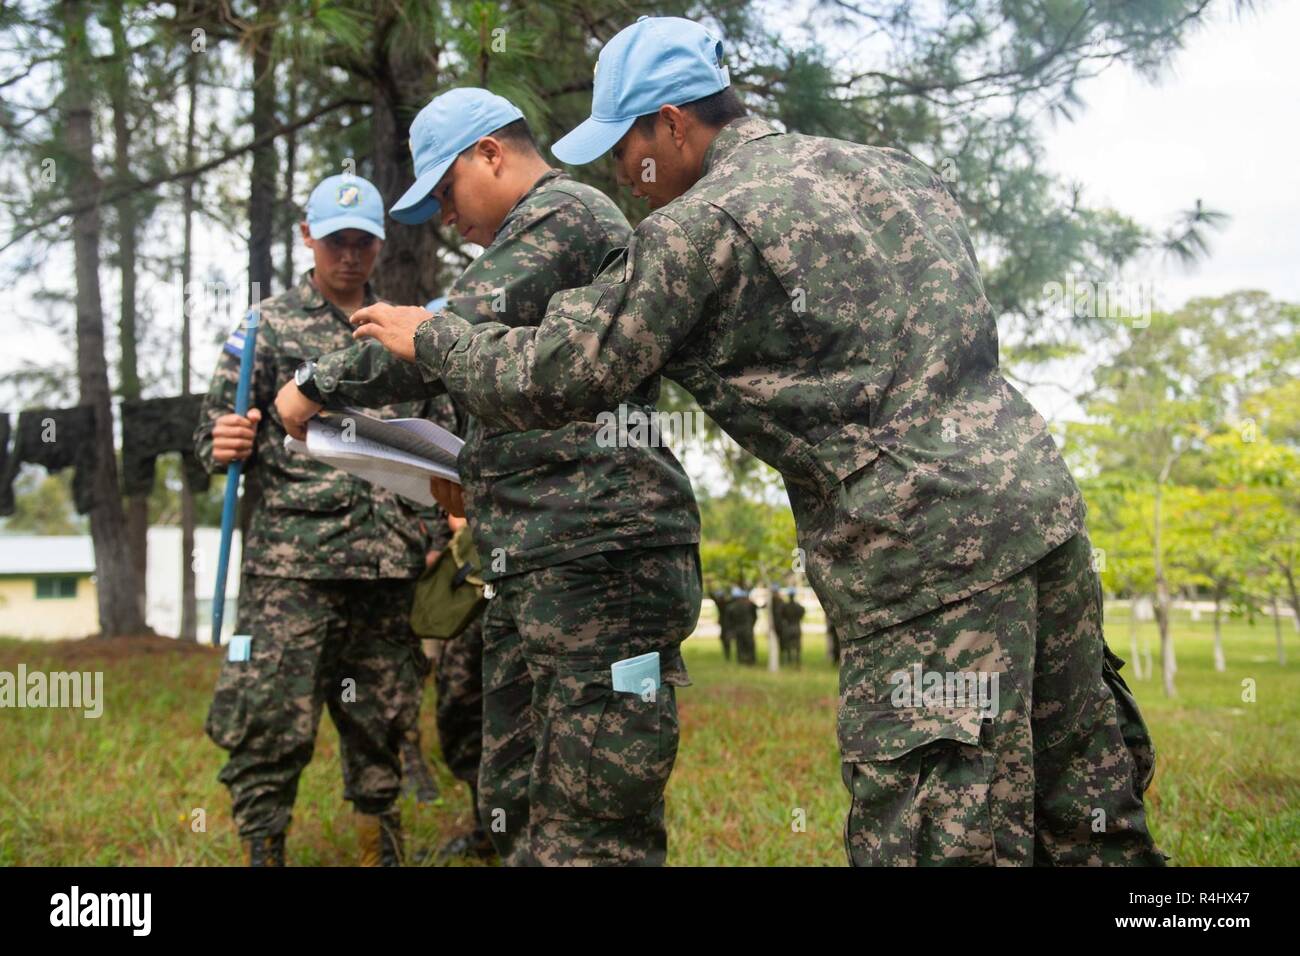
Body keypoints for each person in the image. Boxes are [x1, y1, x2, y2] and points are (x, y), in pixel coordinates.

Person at [353, 18, 1167, 866]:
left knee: (939, 832)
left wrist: (429, 338)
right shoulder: (890, 172)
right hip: (1041, 513)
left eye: (628, 149)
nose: (627, 180)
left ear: (672, 123)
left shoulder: (702, 228)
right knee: (1090, 811)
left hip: (921, 557)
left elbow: (561, 374)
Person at [275, 88, 702, 866]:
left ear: (492, 154)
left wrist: (314, 385)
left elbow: (440, 335)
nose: (445, 215)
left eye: (445, 190)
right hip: (538, 555)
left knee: (595, 818)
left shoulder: (564, 216)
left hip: (602, 559)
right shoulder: (540, 237)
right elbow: (513, 381)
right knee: (513, 793)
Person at [195, 173, 455, 866]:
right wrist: (222, 443)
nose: (349, 255)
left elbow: (440, 437)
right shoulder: (264, 328)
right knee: (270, 717)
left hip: (388, 564)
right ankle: (263, 847)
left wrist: (434, 532)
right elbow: (215, 432)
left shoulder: (401, 329)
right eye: (336, 241)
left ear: (378, 244)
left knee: (384, 713)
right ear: (308, 237)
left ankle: (380, 845)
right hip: (292, 566)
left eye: (363, 242)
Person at [722, 587, 757, 666]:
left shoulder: (730, 607)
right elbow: (754, 616)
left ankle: (741, 660)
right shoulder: (748, 605)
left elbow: (728, 622)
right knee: (749, 645)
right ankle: (751, 661)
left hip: (737, 628)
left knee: (739, 645)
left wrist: (730, 630)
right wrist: (752, 624)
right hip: (747, 628)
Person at [777, 587, 805, 668]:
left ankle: (789, 660)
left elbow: (781, 615)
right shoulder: (798, 606)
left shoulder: (785, 606)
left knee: (788, 645)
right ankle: (797, 661)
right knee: (797, 645)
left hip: (788, 626)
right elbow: (802, 612)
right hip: (796, 626)